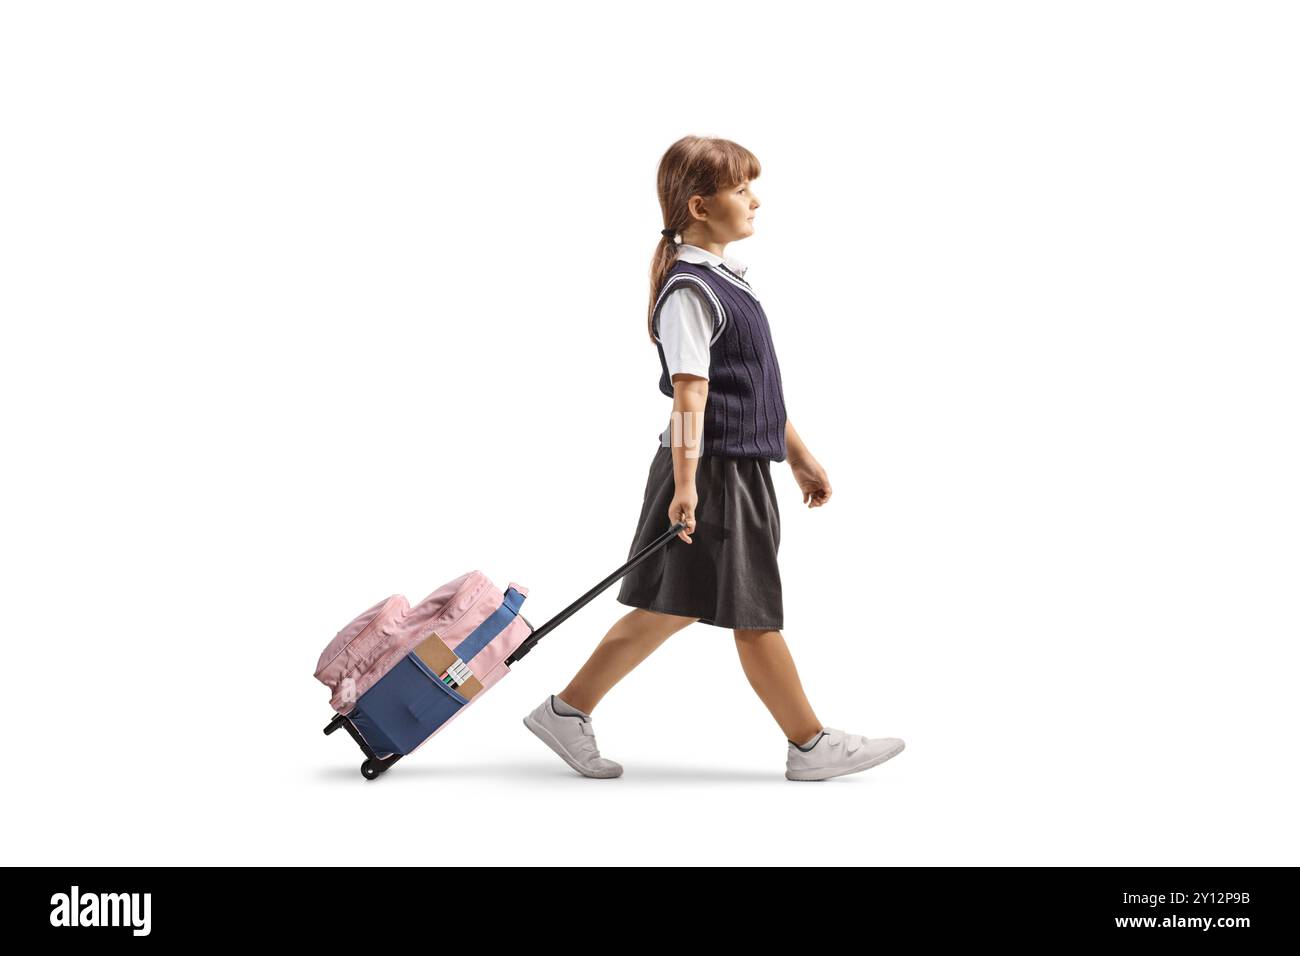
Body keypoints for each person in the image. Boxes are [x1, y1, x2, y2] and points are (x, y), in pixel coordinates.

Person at [523, 135, 905, 781]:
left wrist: (800, 458)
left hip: (735, 468)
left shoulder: (726, 284)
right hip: (712, 473)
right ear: (699, 206)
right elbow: (691, 395)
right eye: (740, 189)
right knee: (753, 612)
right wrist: (686, 486)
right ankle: (810, 746)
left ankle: (567, 711)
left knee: (671, 607)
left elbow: (753, 390)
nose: (755, 200)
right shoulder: (690, 292)